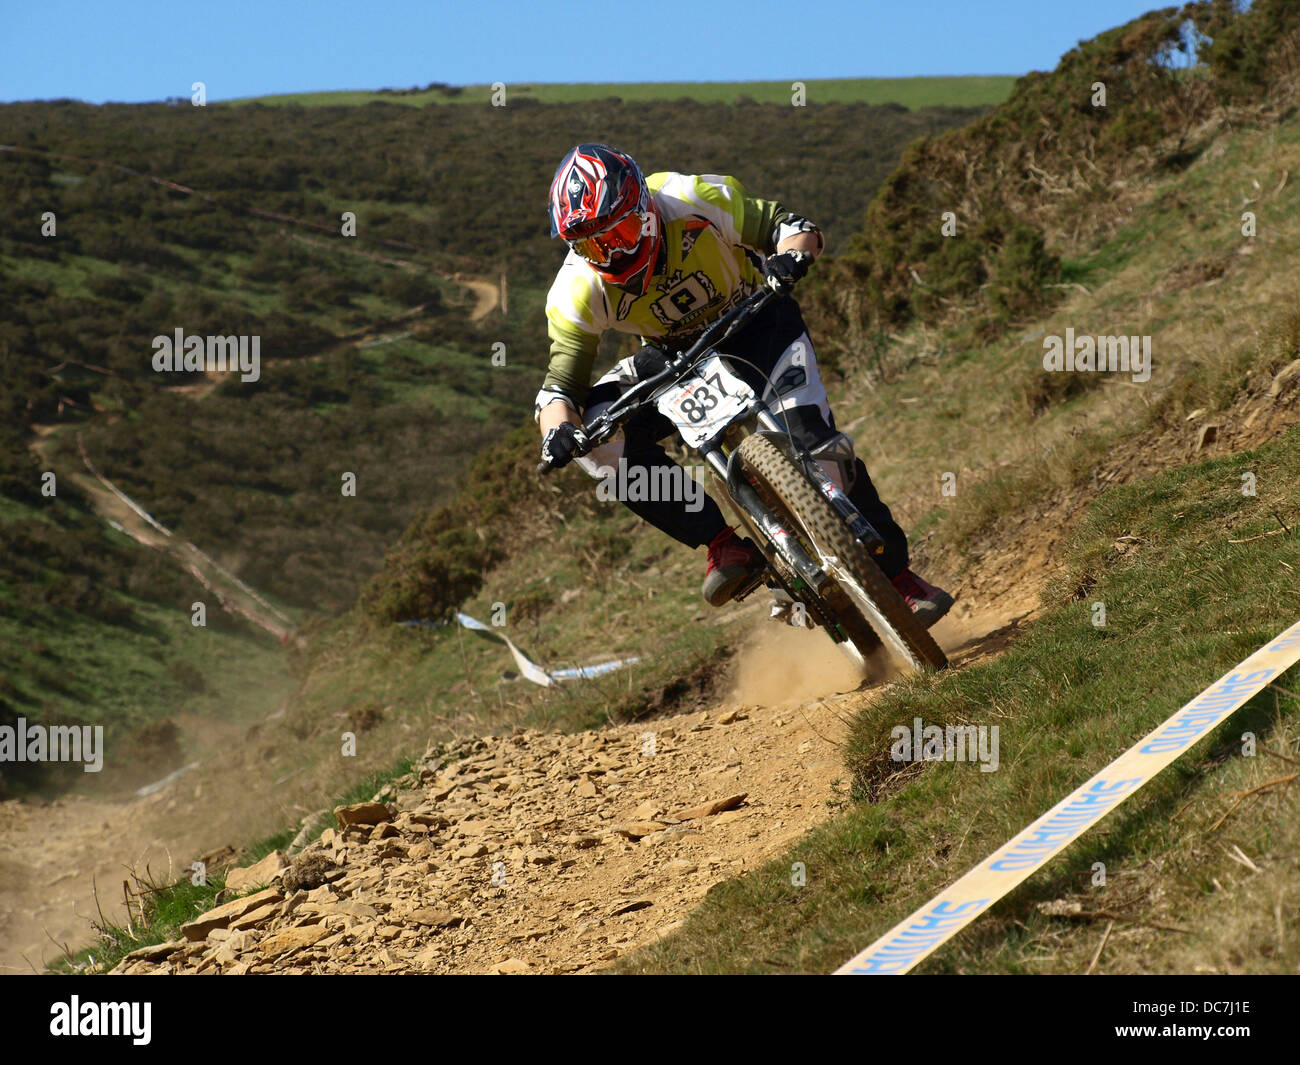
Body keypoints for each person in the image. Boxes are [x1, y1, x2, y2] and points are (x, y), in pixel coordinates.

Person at [535, 143, 952, 626]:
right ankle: (723, 543)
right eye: (591, 245)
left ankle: (900, 580)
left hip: (755, 323)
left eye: (620, 232)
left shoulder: (692, 196)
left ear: (644, 209)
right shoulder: (575, 290)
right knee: (594, 437)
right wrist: (558, 433)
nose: (611, 253)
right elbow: (558, 389)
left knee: (821, 454)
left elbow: (794, 228)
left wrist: (791, 257)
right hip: (675, 356)